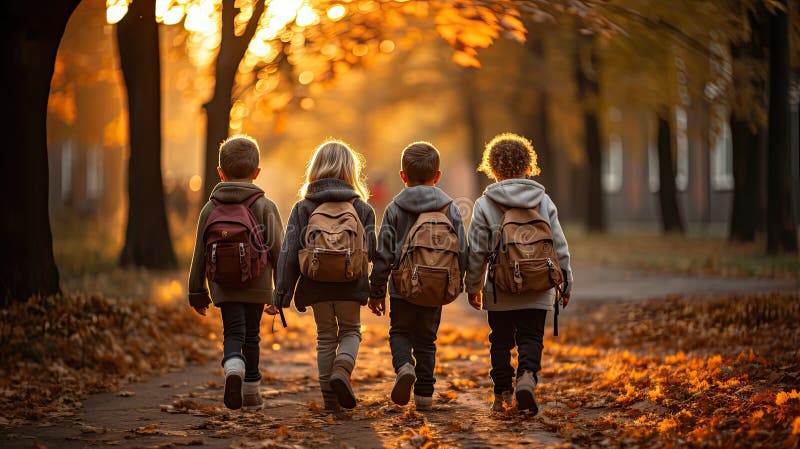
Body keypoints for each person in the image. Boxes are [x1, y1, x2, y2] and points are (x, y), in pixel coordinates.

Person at [465, 132, 573, 414]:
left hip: (500, 289)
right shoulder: (543, 201)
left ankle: (501, 394)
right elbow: (558, 245)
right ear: (528, 166)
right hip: (539, 285)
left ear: (493, 168)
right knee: (531, 337)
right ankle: (527, 377)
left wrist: (473, 285)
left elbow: (476, 250)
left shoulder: (484, 203)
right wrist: (566, 281)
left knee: (499, 340)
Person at [273, 139, 376, 412]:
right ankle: (342, 370)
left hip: (315, 285)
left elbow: (289, 252)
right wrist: (378, 290)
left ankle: (330, 400)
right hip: (351, 285)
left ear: (315, 170)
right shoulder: (362, 209)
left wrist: (281, 295)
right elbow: (375, 251)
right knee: (351, 331)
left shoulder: (303, 208)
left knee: (326, 336)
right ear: (350, 171)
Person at [368, 141, 468, 411]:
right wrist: (467, 285)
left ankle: (403, 367)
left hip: (402, 287)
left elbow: (384, 253)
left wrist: (376, 291)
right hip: (436, 286)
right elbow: (463, 249)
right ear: (437, 176)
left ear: (403, 176)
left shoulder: (394, 208)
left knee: (399, 331)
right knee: (427, 340)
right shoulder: (450, 208)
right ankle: (424, 396)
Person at [187, 134, 284, 410]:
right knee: (252, 336)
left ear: (220, 172)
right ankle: (252, 394)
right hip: (257, 284)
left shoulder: (210, 208)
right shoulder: (265, 206)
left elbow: (199, 253)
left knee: (233, 333)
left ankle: (232, 369)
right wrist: (280, 290)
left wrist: (197, 291)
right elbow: (280, 251)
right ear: (257, 172)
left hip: (223, 286)